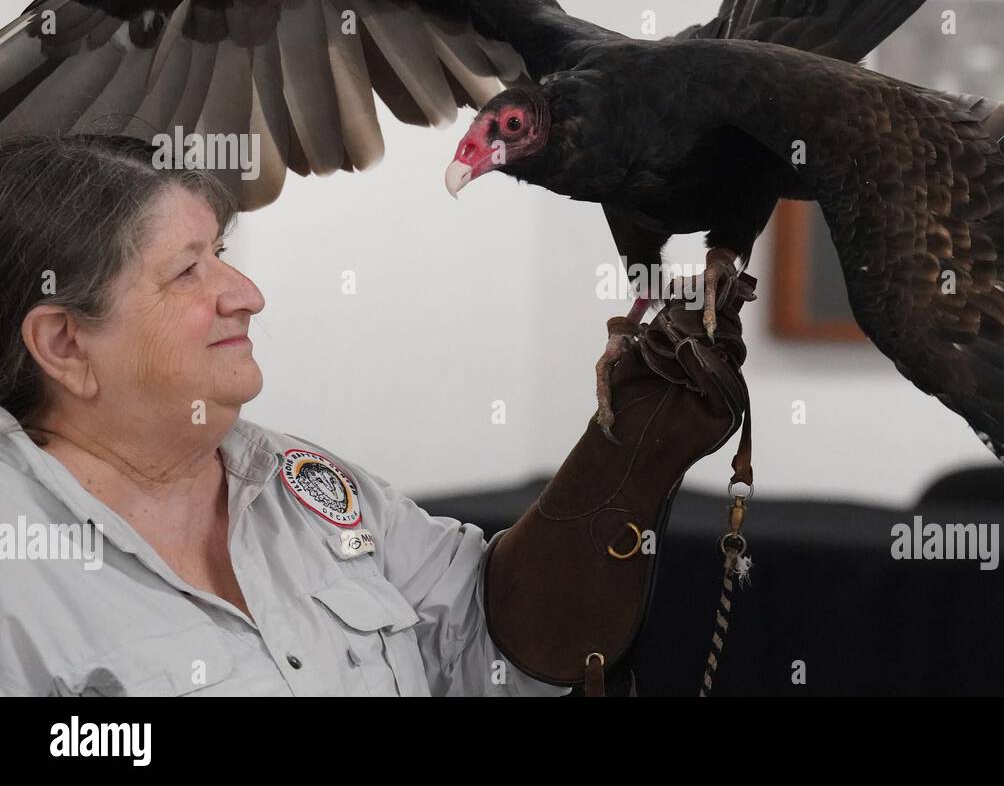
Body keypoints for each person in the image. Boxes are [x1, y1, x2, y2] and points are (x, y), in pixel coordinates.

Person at [0, 133, 752, 697]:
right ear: (64, 343)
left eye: (222, 251)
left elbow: (489, 642)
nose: (246, 293)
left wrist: (622, 458)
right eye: (187, 270)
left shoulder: (305, 488)